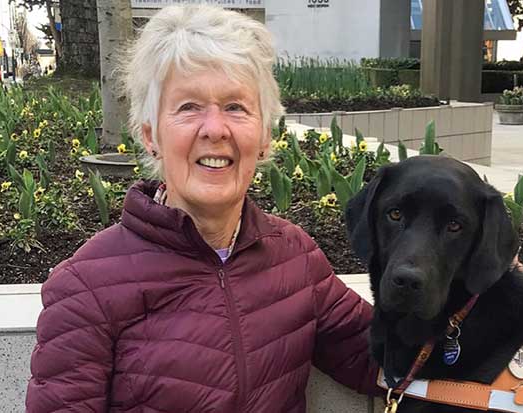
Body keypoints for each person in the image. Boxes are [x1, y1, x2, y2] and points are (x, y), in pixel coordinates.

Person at [25, 5, 379, 412]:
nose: (214, 129)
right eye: (189, 107)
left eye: (235, 107)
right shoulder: (86, 287)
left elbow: (379, 358)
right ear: (150, 135)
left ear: (264, 137)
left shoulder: (294, 257)